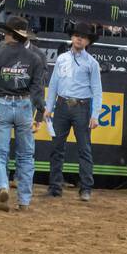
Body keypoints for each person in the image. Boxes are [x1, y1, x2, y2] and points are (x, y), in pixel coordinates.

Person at [0, 16, 47, 211]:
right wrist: (39, 114)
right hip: (24, 105)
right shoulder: (36, 58)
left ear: (9, 34)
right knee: (26, 155)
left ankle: (2, 186)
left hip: (1, 104)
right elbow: (37, 89)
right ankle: (24, 201)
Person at [44, 22, 103, 202]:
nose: (79, 38)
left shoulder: (92, 63)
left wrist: (95, 115)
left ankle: (86, 188)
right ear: (72, 37)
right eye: (76, 35)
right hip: (62, 105)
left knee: (84, 149)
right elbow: (53, 83)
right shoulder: (61, 58)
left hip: (81, 107)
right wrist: (48, 107)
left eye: (83, 36)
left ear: (87, 41)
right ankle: (55, 187)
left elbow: (97, 90)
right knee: (56, 148)